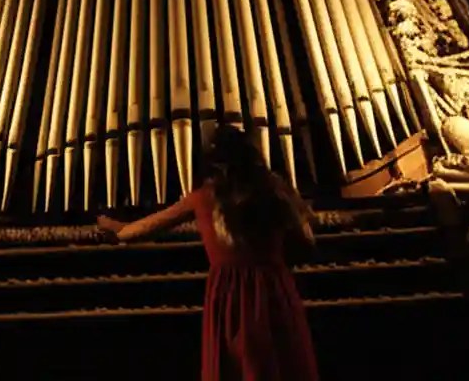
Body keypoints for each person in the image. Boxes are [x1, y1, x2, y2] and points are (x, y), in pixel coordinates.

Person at [97, 125, 320, 381]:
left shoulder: (203, 197)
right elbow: (306, 243)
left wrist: (114, 228)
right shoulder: (277, 188)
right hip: (273, 288)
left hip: (230, 293)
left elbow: (142, 229)